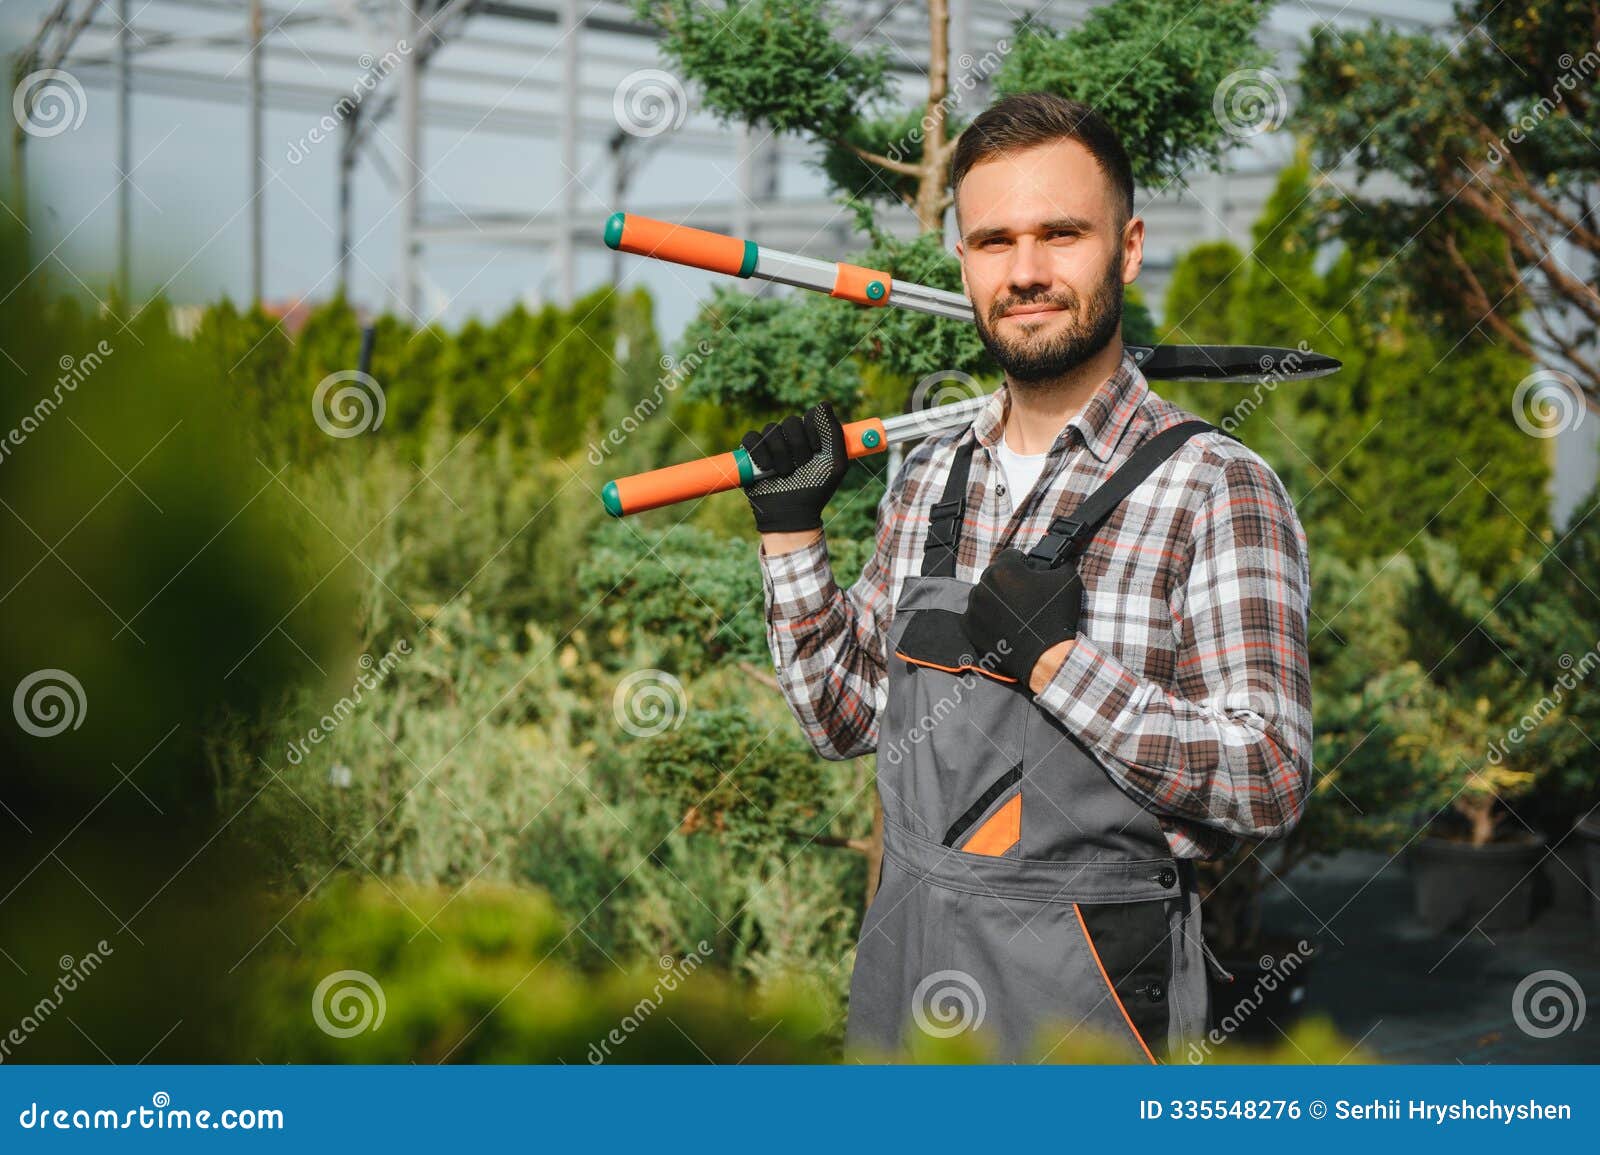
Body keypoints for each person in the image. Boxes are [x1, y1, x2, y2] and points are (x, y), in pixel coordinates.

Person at [738, 91, 1312, 1063]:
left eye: (1061, 234)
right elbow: (841, 720)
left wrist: (1057, 668)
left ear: (1125, 248)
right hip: (907, 956)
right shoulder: (931, 479)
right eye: (995, 240)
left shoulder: (1214, 490)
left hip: (1082, 988)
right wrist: (791, 537)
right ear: (963, 261)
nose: (1027, 271)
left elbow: (1269, 777)